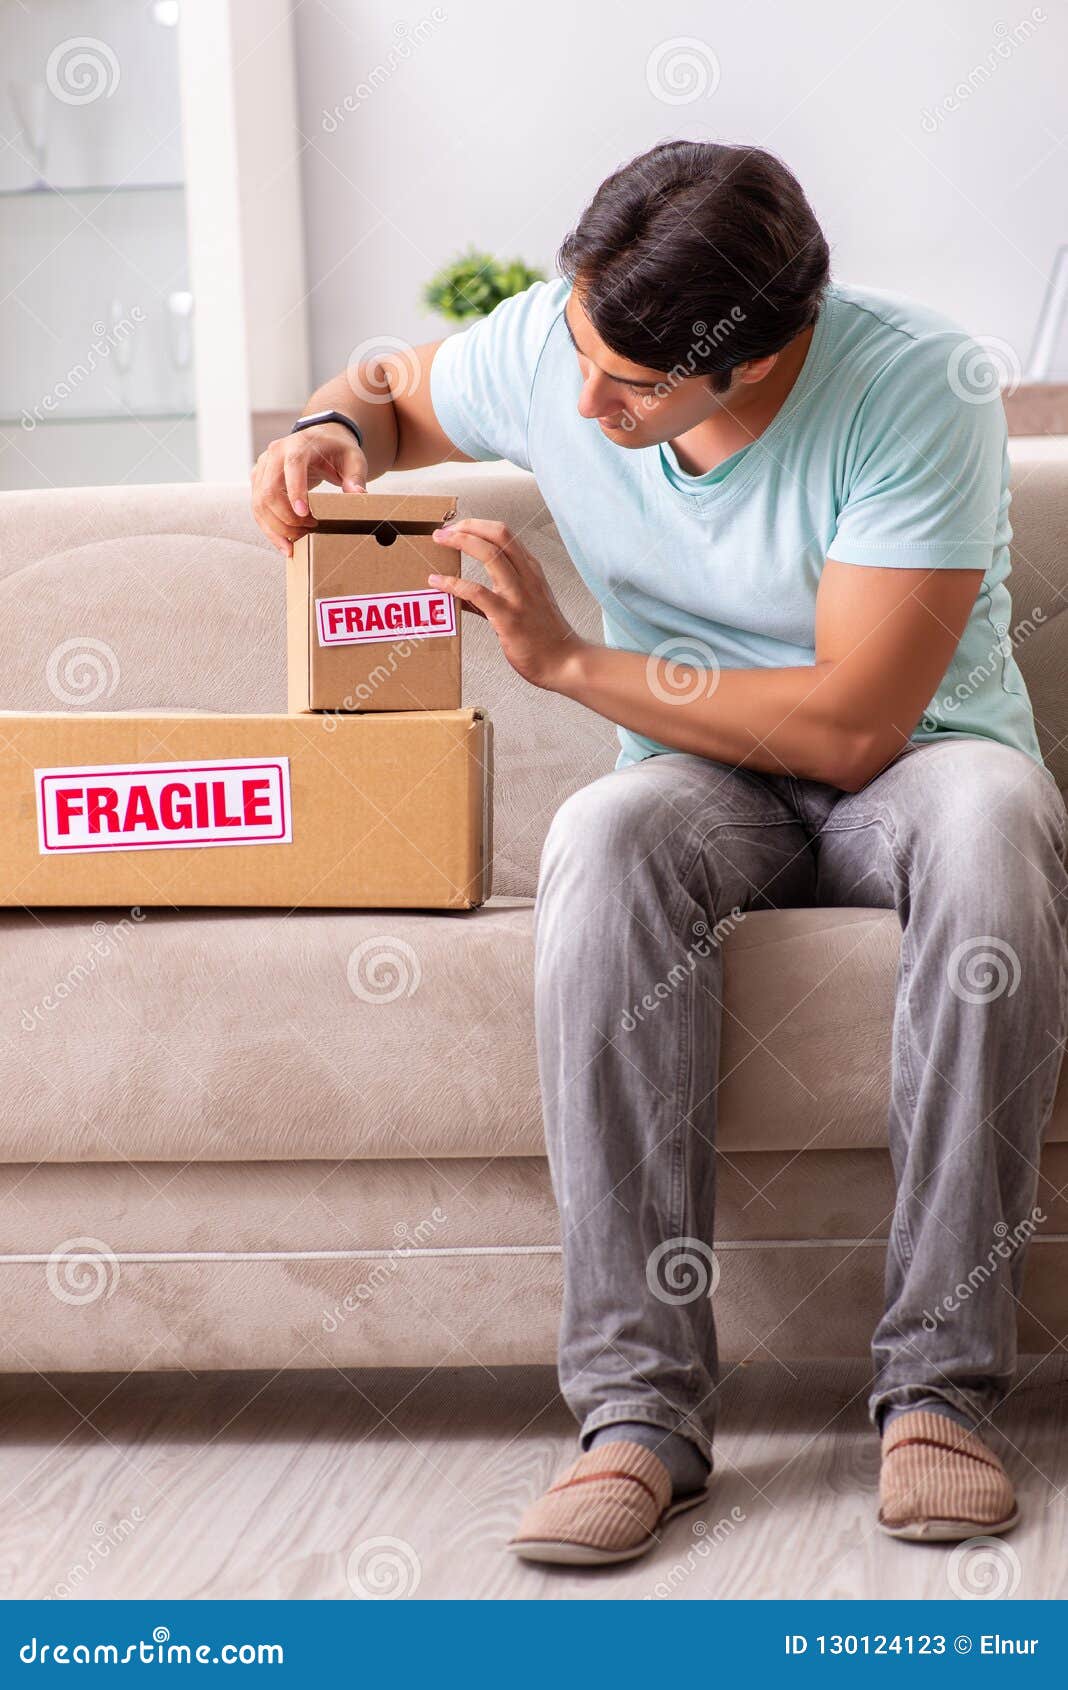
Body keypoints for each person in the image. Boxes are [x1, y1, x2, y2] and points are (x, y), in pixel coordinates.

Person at [251, 140, 1068, 1566]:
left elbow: (853, 727)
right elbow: (391, 392)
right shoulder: (574, 351)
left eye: (628, 382)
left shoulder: (914, 389)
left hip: (917, 757)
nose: (580, 400)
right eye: (576, 348)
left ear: (754, 362)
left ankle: (939, 1393)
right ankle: (636, 1414)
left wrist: (567, 660)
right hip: (698, 778)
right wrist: (333, 425)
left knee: (997, 829)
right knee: (605, 833)